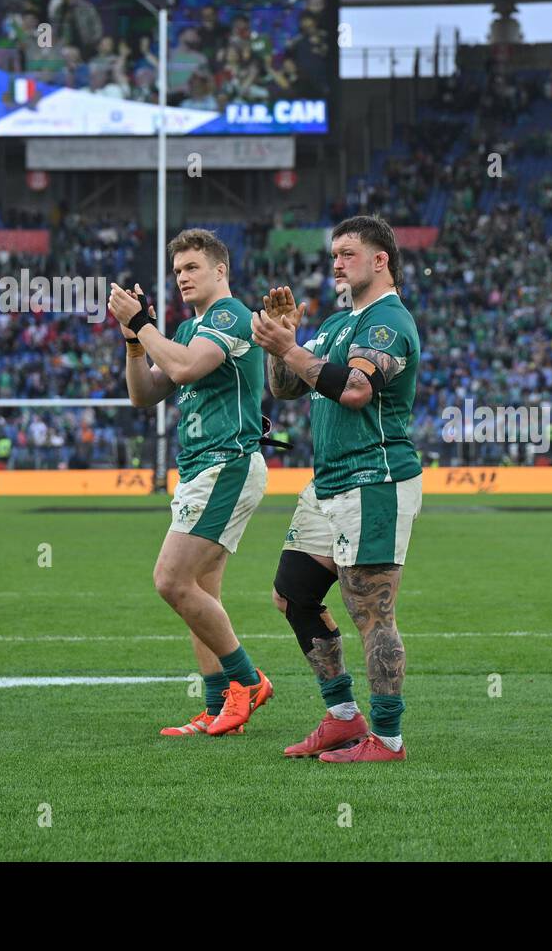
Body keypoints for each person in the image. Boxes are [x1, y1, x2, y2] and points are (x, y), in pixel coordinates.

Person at [251, 215, 422, 763]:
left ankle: (389, 740)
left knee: (371, 610)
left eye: (348, 253)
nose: (336, 263)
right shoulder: (335, 323)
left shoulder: (387, 322)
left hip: (375, 478)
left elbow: (353, 389)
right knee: (292, 595)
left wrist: (293, 349)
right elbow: (284, 390)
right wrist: (282, 344)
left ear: (381, 261)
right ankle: (345, 719)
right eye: (334, 254)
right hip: (328, 482)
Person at [107, 228, 272, 738]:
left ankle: (247, 681)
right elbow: (145, 392)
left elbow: (187, 367)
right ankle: (218, 705)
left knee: (170, 580)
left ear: (220, 271)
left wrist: (144, 323)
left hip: (228, 461)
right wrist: (135, 343)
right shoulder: (184, 330)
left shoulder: (229, 315)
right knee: (200, 591)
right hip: (200, 466)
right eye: (177, 270)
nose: (182, 277)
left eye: (192, 267)